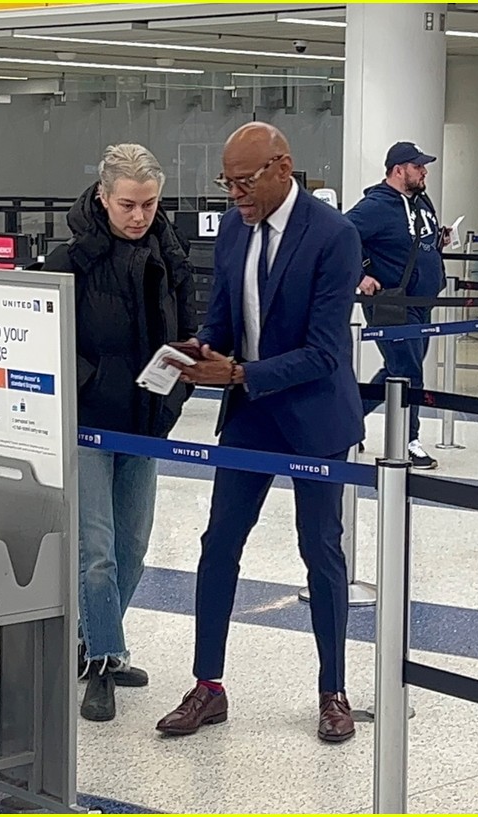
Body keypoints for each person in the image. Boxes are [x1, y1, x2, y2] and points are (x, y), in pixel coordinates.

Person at [157, 123, 365, 743]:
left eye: (245, 182)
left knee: (320, 550)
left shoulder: (334, 235)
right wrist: (201, 348)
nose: (236, 195)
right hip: (250, 414)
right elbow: (225, 317)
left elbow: (325, 352)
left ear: (283, 167)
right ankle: (208, 686)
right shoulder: (233, 229)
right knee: (219, 542)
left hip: (314, 416)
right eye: (227, 183)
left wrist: (241, 373)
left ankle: (333, 690)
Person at [42, 144, 197, 723]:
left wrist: (174, 394)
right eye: (128, 204)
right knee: (97, 553)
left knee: (132, 547)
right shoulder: (70, 261)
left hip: (146, 424)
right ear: (103, 197)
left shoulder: (169, 255)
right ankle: (104, 661)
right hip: (88, 426)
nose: (139, 216)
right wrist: (95, 384)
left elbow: (186, 331)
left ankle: (93, 641)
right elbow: (49, 340)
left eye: (149, 204)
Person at [346, 141, 447, 470]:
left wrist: (439, 240)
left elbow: (416, 240)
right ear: (398, 170)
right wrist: (359, 276)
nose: (424, 172)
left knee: (397, 371)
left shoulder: (420, 201)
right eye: (418, 166)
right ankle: (407, 440)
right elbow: (339, 236)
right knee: (408, 374)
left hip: (421, 302)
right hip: (392, 304)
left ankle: (345, 423)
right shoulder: (375, 206)